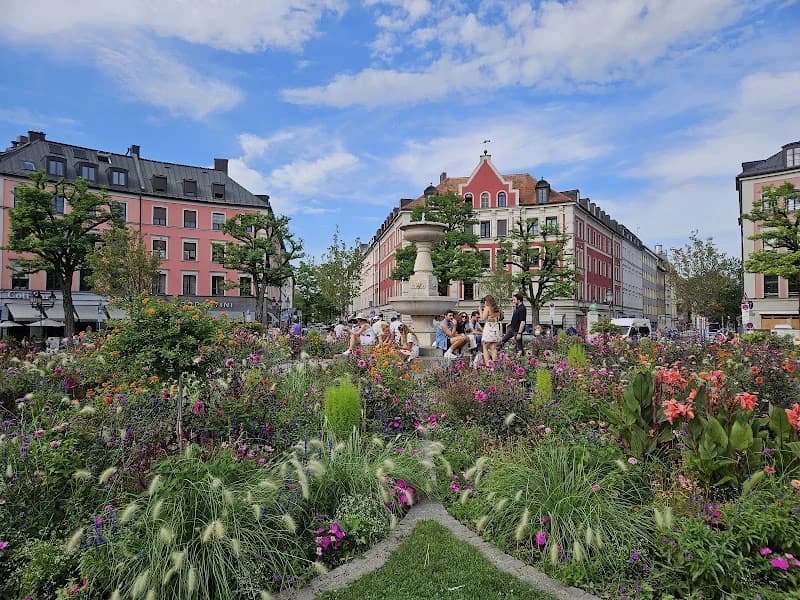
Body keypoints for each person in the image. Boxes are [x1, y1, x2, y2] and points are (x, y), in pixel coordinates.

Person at [480, 295, 502, 364]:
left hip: (489, 328)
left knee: (485, 347)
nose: (485, 302)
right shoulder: (497, 309)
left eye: (485, 301)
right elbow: (499, 317)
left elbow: (483, 318)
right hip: (495, 328)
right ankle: (494, 365)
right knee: (493, 348)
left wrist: (480, 310)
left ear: (488, 301)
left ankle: (488, 365)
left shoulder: (487, 307)